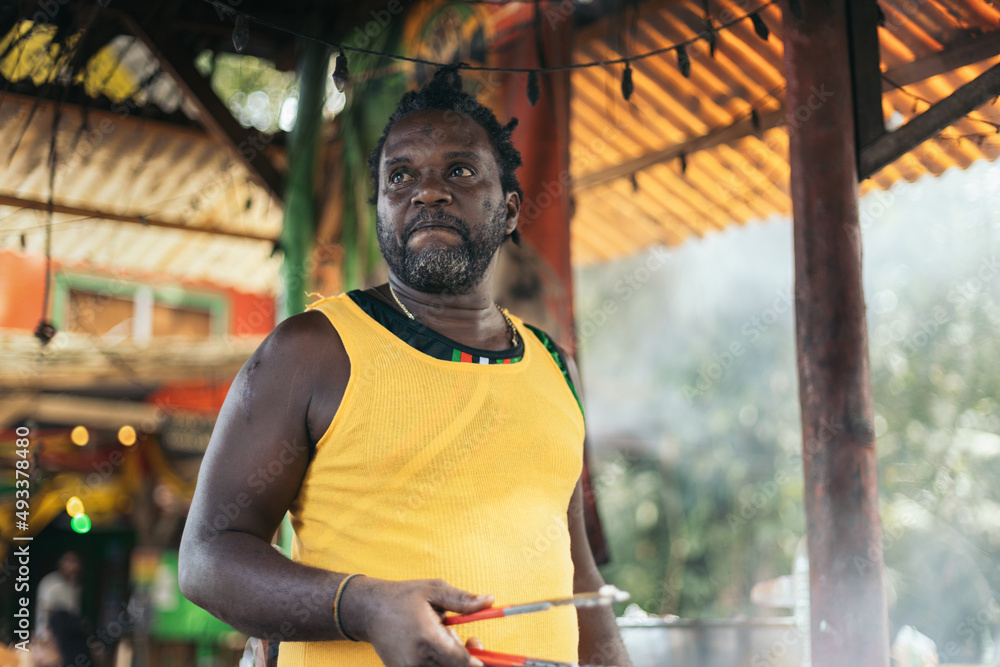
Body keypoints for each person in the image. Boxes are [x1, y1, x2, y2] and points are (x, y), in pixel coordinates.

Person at [179, 67, 632, 667]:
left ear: (513, 211)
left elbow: (578, 575)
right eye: (401, 176)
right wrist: (361, 605)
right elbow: (209, 557)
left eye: (460, 171)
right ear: (382, 209)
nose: (428, 190)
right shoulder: (312, 350)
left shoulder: (556, 367)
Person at [36, 552, 82, 642]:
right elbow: (45, 610)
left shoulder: (74, 586)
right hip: (50, 636)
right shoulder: (51, 583)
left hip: (67, 637)